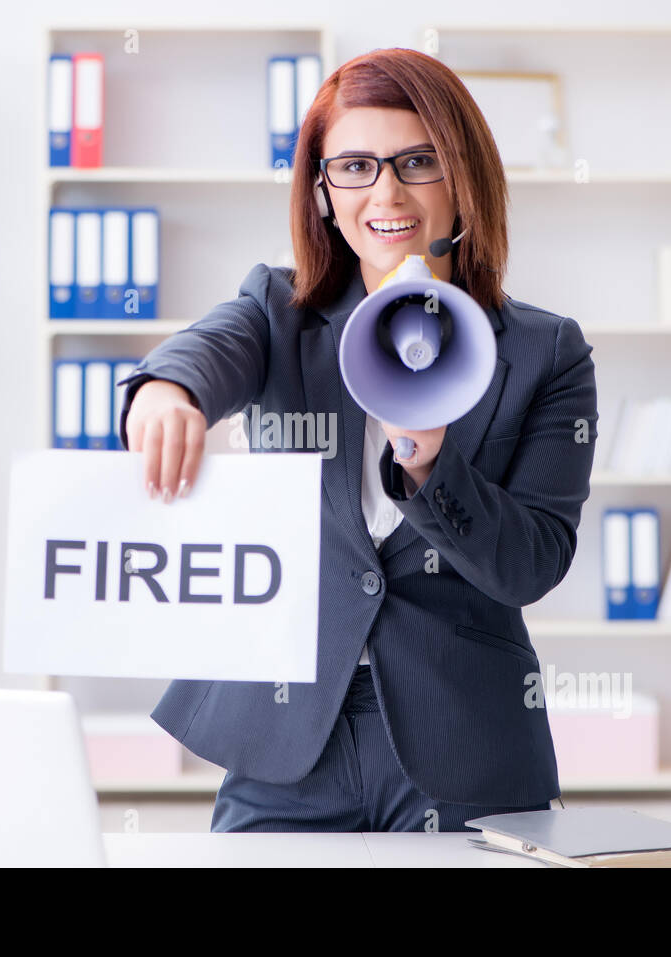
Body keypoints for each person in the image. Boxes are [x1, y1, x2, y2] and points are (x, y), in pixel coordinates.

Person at [116, 47, 597, 832]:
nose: (387, 192)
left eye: (418, 161)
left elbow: (532, 563)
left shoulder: (546, 353)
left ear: (464, 177)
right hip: (288, 739)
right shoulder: (279, 312)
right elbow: (206, 353)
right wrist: (169, 391)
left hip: (464, 743)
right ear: (323, 192)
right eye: (355, 166)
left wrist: (436, 465)